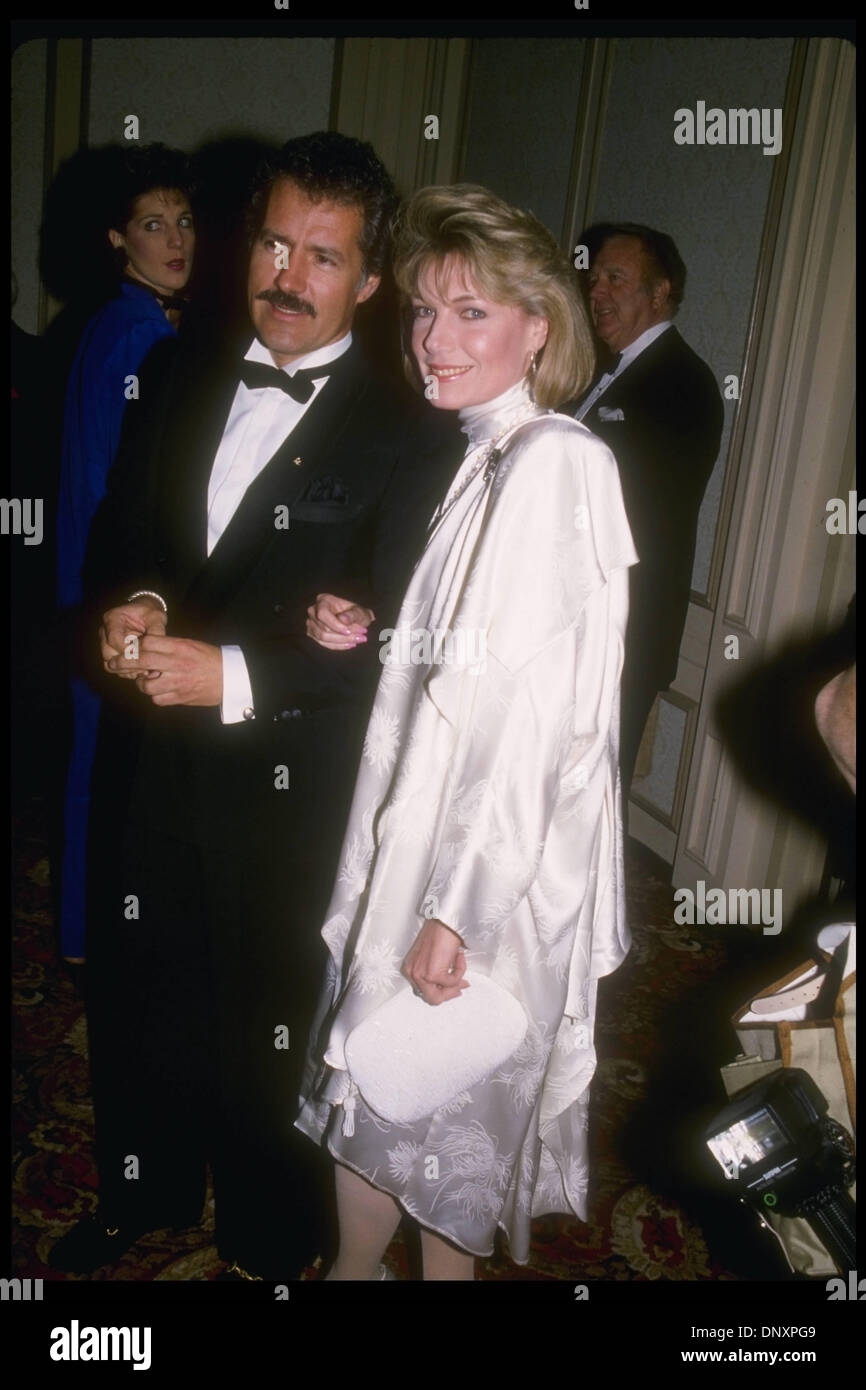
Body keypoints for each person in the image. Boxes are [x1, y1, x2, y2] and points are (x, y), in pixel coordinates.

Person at [51, 132, 461, 1279]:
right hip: (148, 757)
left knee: (265, 1020)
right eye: (275, 241)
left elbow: (390, 643)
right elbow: (127, 524)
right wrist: (133, 599)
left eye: (322, 258)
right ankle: (143, 1189)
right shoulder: (185, 366)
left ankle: (272, 1239)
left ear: (370, 280)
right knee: (139, 996)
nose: (286, 275)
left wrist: (230, 675)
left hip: (289, 784)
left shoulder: (411, 434)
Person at [296, 184, 639, 1278]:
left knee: (438, 1127)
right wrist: (390, 631)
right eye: (421, 313)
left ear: (540, 322)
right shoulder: (490, 453)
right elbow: (490, 659)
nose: (433, 341)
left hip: (478, 866)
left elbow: (536, 721)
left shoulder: (554, 463)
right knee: (385, 1111)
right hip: (440, 840)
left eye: (469, 313)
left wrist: (460, 909)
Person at [55, 143, 195, 964]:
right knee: (115, 775)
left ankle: (81, 935)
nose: (175, 239)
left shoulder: (110, 319)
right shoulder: (144, 338)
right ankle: (101, 939)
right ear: (117, 237)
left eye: (183, 220)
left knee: (92, 763)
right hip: (116, 587)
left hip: (85, 579)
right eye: (152, 224)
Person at [569, 223, 724, 795]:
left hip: (621, 627)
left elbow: (641, 513)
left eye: (615, 278)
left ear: (660, 294)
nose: (597, 293)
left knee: (595, 796)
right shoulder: (597, 372)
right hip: (576, 619)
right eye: (593, 280)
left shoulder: (686, 383)